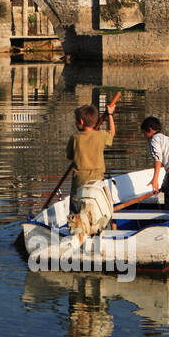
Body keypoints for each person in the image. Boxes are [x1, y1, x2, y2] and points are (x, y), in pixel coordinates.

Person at [65, 102, 115, 241]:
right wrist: (110, 114)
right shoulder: (101, 136)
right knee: (100, 211)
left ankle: (75, 235)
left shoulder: (75, 138)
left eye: (76, 121)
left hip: (79, 183)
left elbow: (69, 156)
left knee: (75, 211)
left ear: (81, 121)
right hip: (96, 181)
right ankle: (99, 234)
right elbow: (112, 133)